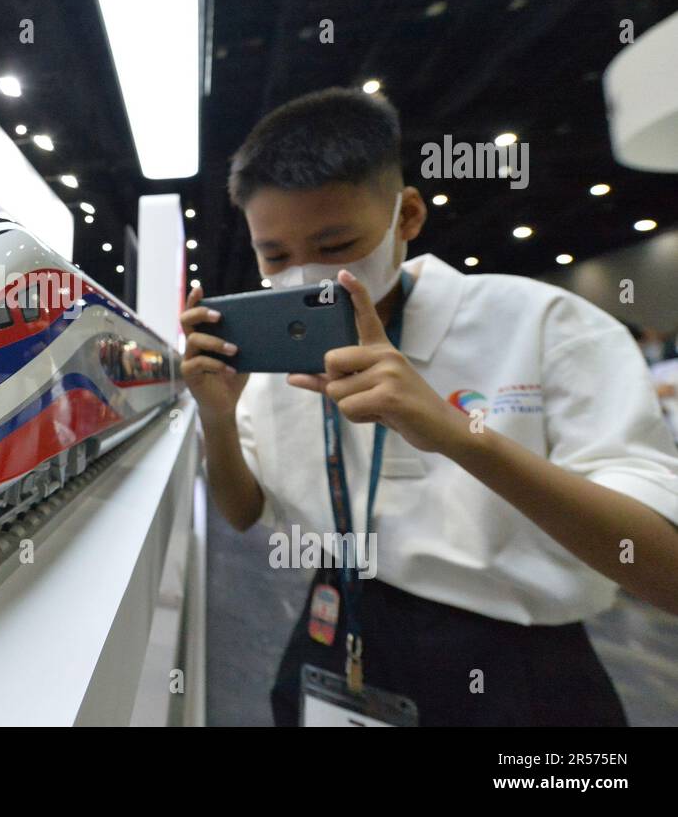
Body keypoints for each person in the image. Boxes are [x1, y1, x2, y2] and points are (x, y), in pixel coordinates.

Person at [181, 87, 678, 726]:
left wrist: (458, 436)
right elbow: (244, 512)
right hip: (336, 628)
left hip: (516, 666)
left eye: (335, 246)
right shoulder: (278, 358)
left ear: (407, 216)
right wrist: (217, 416)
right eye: (274, 255)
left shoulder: (546, 325)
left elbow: (662, 576)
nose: (308, 278)